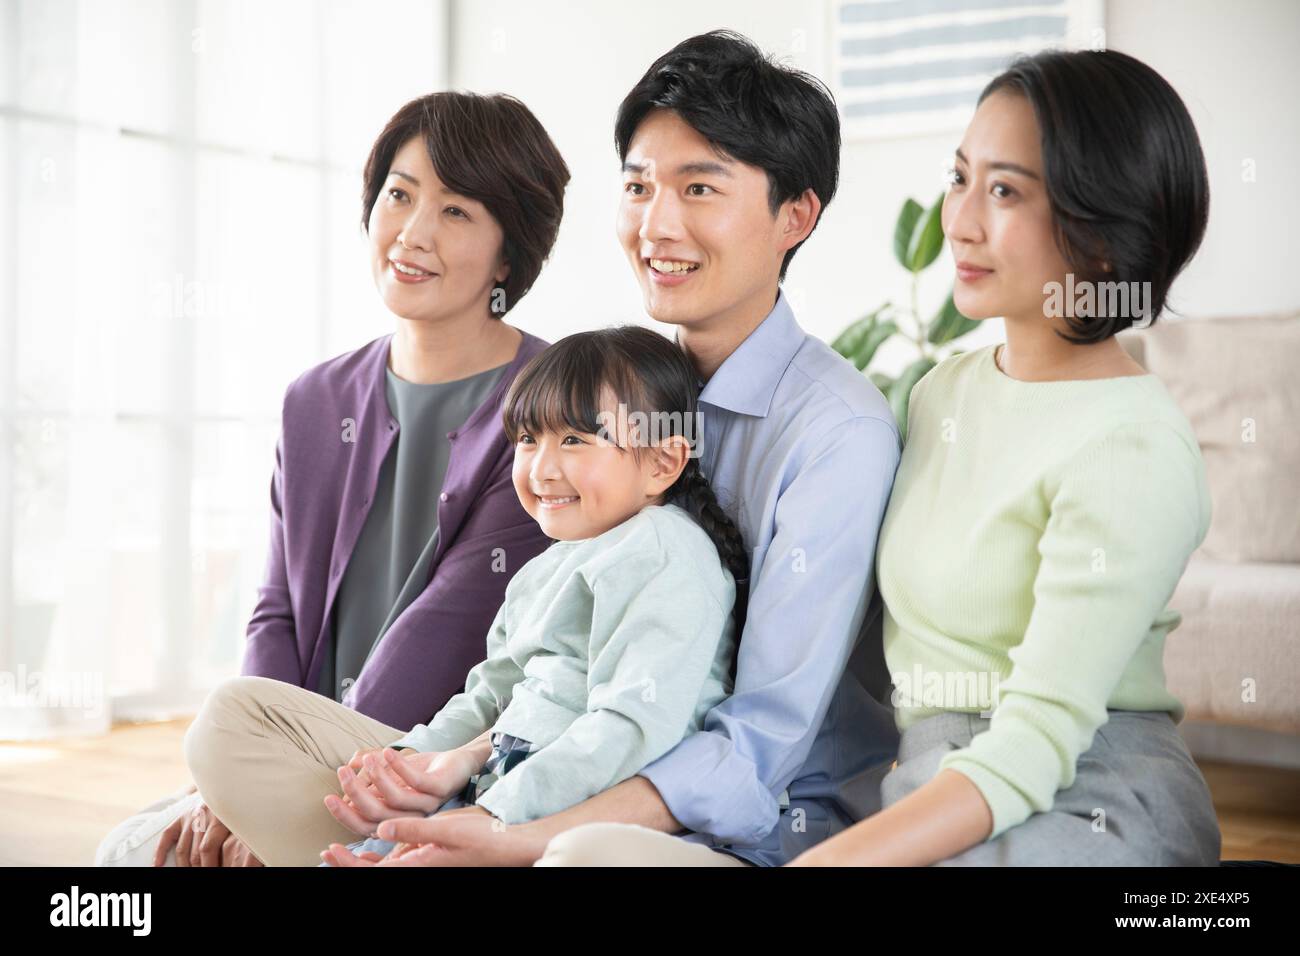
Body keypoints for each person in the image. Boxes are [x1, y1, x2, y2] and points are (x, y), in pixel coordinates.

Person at [325, 30, 903, 868]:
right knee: (219, 762)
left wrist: (513, 834)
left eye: (699, 187)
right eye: (638, 187)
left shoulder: (835, 435)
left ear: (795, 215)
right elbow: (534, 665)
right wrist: (432, 772)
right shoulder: (613, 389)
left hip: (743, 827)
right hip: (529, 777)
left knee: (580, 858)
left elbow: (758, 746)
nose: (656, 225)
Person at [93, 90, 569, 867]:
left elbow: (441, 642)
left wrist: (267, 793)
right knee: (127, 852)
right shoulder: (315, 401)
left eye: (456, 212)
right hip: (288, 739)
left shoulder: (549, 403)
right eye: (399, 195)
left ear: (508, 252)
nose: (413, 234)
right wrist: (230, 785)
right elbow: (276, 610)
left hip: (429, 765)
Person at [789, 49, 1221, 866]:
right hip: (936, 786)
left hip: (1089, 797)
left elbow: (1034, 743)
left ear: (1104, 233)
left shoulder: (1133, 445)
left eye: (1007, 191)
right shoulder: (940, 393)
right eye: (960, 178)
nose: (960, 222)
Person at [183, 325, 749, 867]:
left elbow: (630, 727)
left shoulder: (665, 550)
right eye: (528, 439)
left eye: (575, 439)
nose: (542, 467)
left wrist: (492, 815)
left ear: (663, 462)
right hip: (489, 783)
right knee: (232, 714)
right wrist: (411, 764)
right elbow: (489, 692)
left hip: (567, 811)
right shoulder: (547, 564)